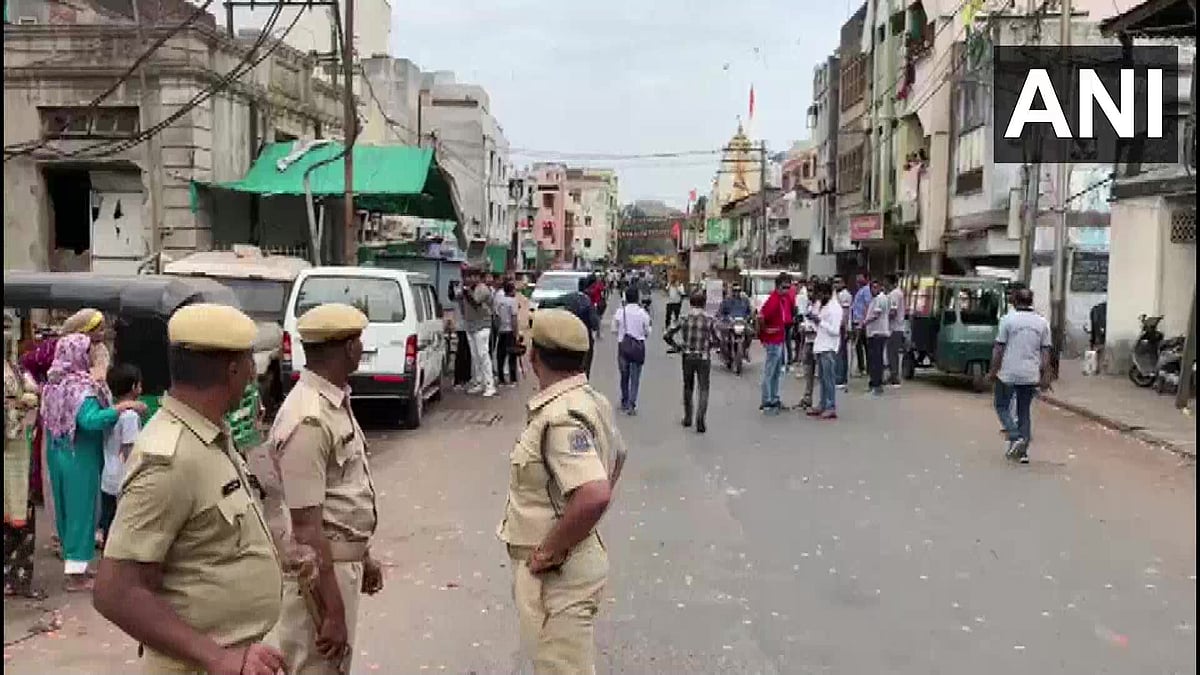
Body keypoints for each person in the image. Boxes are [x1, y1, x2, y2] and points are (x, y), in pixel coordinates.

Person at [94, 303, 305, 674]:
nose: (254, 375)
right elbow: (116, 591)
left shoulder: (209, 435)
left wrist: (278, 554)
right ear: (234, 370)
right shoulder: (169, 457)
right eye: (250, 364)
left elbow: (214, 535)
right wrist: (218, 657)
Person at [497, 309, 627, 675]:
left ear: (533, 357)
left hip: (558, 578)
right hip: (570, 563)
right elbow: (619, 457)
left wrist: (550, 550)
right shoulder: (591, 400)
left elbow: (594, 493)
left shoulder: (561, 416)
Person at [267, 303, 383, 675]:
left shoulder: (332, 403)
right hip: (319, 580)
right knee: (317, 668)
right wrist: (331, 609)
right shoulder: (309, 419)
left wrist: (363, 556)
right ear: (349, 349)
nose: (362, 349)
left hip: (338, 568)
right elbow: (306, 529)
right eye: (359, 342)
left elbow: (340, 497)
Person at [41, 333, 144, 591]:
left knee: (67, 509)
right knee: (81, 510)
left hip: (58, 451)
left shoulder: (54, 383)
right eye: (87, 353)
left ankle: (75, 563)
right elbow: (90, 421)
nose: (90, 358)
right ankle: (76, 575)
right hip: (79, 455)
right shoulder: (81, 388)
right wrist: (120, 409)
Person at [4, 314, 45, 599]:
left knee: (22, 513)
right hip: (10, 449)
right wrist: (19, 407)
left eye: (8, 328)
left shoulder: (16, 368)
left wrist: (29, 403)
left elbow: (34, 394)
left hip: (19, 454)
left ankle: (18, 579)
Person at [987, 288, 1052, 464]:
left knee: (1001, 406)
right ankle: (1022, 452)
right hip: (1030, 374)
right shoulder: (1042, 323)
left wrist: (993, 371)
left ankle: (1015, 437)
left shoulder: (1007, 320)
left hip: (1008, 373)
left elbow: (999, 349)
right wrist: (1045, 374)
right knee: (1024, 411)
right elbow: (1046, 352)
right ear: (1031, 301)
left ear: (1015, 301)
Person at [98, 363, 143, 550]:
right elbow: (129, 450)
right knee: (123, 526)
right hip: (122, 478)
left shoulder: (110, 412)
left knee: (109, 523)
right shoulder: (130, 416)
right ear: (134, 387)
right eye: (140, 385)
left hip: (107, 477)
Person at [663, 291, 722, 433]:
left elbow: (667, 334)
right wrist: (710, 346)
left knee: (688, 387)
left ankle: (688, 417)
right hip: (703, 357)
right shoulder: (710, 319)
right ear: (704, 303)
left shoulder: (684, 318)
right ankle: (700, 418)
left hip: (688, 356)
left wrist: (677, 346)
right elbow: (719, 339)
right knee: (703, 388)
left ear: (690, 303)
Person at [806, 282, 843, 420]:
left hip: (829, 347)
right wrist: (813, 321)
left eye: (820, 294)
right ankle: (822, 404)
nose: (818, 297)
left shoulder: (835, 309)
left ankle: (830, 406)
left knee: (829, 379)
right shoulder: (824, 306)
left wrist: (819, 321)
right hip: (821, 346)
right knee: (822, 378)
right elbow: (820, 327)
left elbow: (834, 330)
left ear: (827, 293)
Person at [612, 288, 651, 415]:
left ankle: (624, 400)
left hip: (623, 346)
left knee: (624, 375)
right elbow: (647, 331)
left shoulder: (620, 312)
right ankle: (632, 404)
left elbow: (613, 329)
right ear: (637, 297)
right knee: (635, 377)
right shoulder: (643, 313)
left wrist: (622, 332)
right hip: (638, 347)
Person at [758, 273, 793, 414]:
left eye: (788, 287)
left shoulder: (782, 300)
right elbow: (761, 317)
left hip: (780, 338)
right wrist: (765, 331)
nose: (787, 290)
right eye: (784, 287)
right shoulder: (773, 300)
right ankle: (767, 401)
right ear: (778, 287)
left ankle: (774, 398)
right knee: (770, 372)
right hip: (773, 340)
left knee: (777, 372)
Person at [462, 270, 498, 398]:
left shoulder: (482, 289)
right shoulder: (466, 289)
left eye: (472, 276)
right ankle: (479, 382)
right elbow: (454, 298)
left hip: (482, 326)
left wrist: (466, 292)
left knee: (483, 355)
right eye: (468, 276)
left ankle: (490, 385)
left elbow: (475, 302)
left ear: (478, 277)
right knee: (475, 356)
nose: (470, 279)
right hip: (470, 325)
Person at [862, 279, 891, 396]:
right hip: (873, 332)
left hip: (878, 332)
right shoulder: (874, 299)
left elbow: (876, 314)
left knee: (876, 360)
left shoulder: (881, 298)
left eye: (875, 287)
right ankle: (873, 383)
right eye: (871, 288)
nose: (873, 290)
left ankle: (877, 385)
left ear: (880, 287)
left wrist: (864, 322)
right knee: (873, 359)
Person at [495, 281, 520, 387]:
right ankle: (513, 379)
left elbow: (496, 316)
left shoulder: (499, 300)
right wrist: (516, 333)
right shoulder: (513, 301)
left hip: (501, 331)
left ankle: (501, 379)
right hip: (510, 331)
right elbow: (514, 318)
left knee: (500, 356)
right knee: (512, 356)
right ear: (512, 290)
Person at [885, 275, 907, 387]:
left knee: (892, 352)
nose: (885, 284)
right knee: (891, 352)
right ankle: (893, 374)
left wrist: (884, 320)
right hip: (896, 327)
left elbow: (893, 311)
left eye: (886, 282)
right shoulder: (896, 293)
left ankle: (895, 376)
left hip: (895, 327)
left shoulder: (895, 294)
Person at [850, 274, 873, 377]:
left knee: (864, 345)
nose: (858, 280)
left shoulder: (866, 290)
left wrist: (864, 321)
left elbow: (867, 305)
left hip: (861, 322)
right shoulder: (860, 291)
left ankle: (867, 367)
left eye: (860, 278)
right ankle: (861, 367)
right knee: (858, 346)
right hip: (856, 321)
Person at [834, 277, 853, 389]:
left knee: (840, 353)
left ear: (843, 283)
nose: (835, 285)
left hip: (841, 327)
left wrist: (844, 327)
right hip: (838, 326)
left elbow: (845, 313)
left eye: (838, 282)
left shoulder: (845, 295)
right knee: (841, 353)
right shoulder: (837, 294)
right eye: (834, 282)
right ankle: (841, 377)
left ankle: (840, 378)